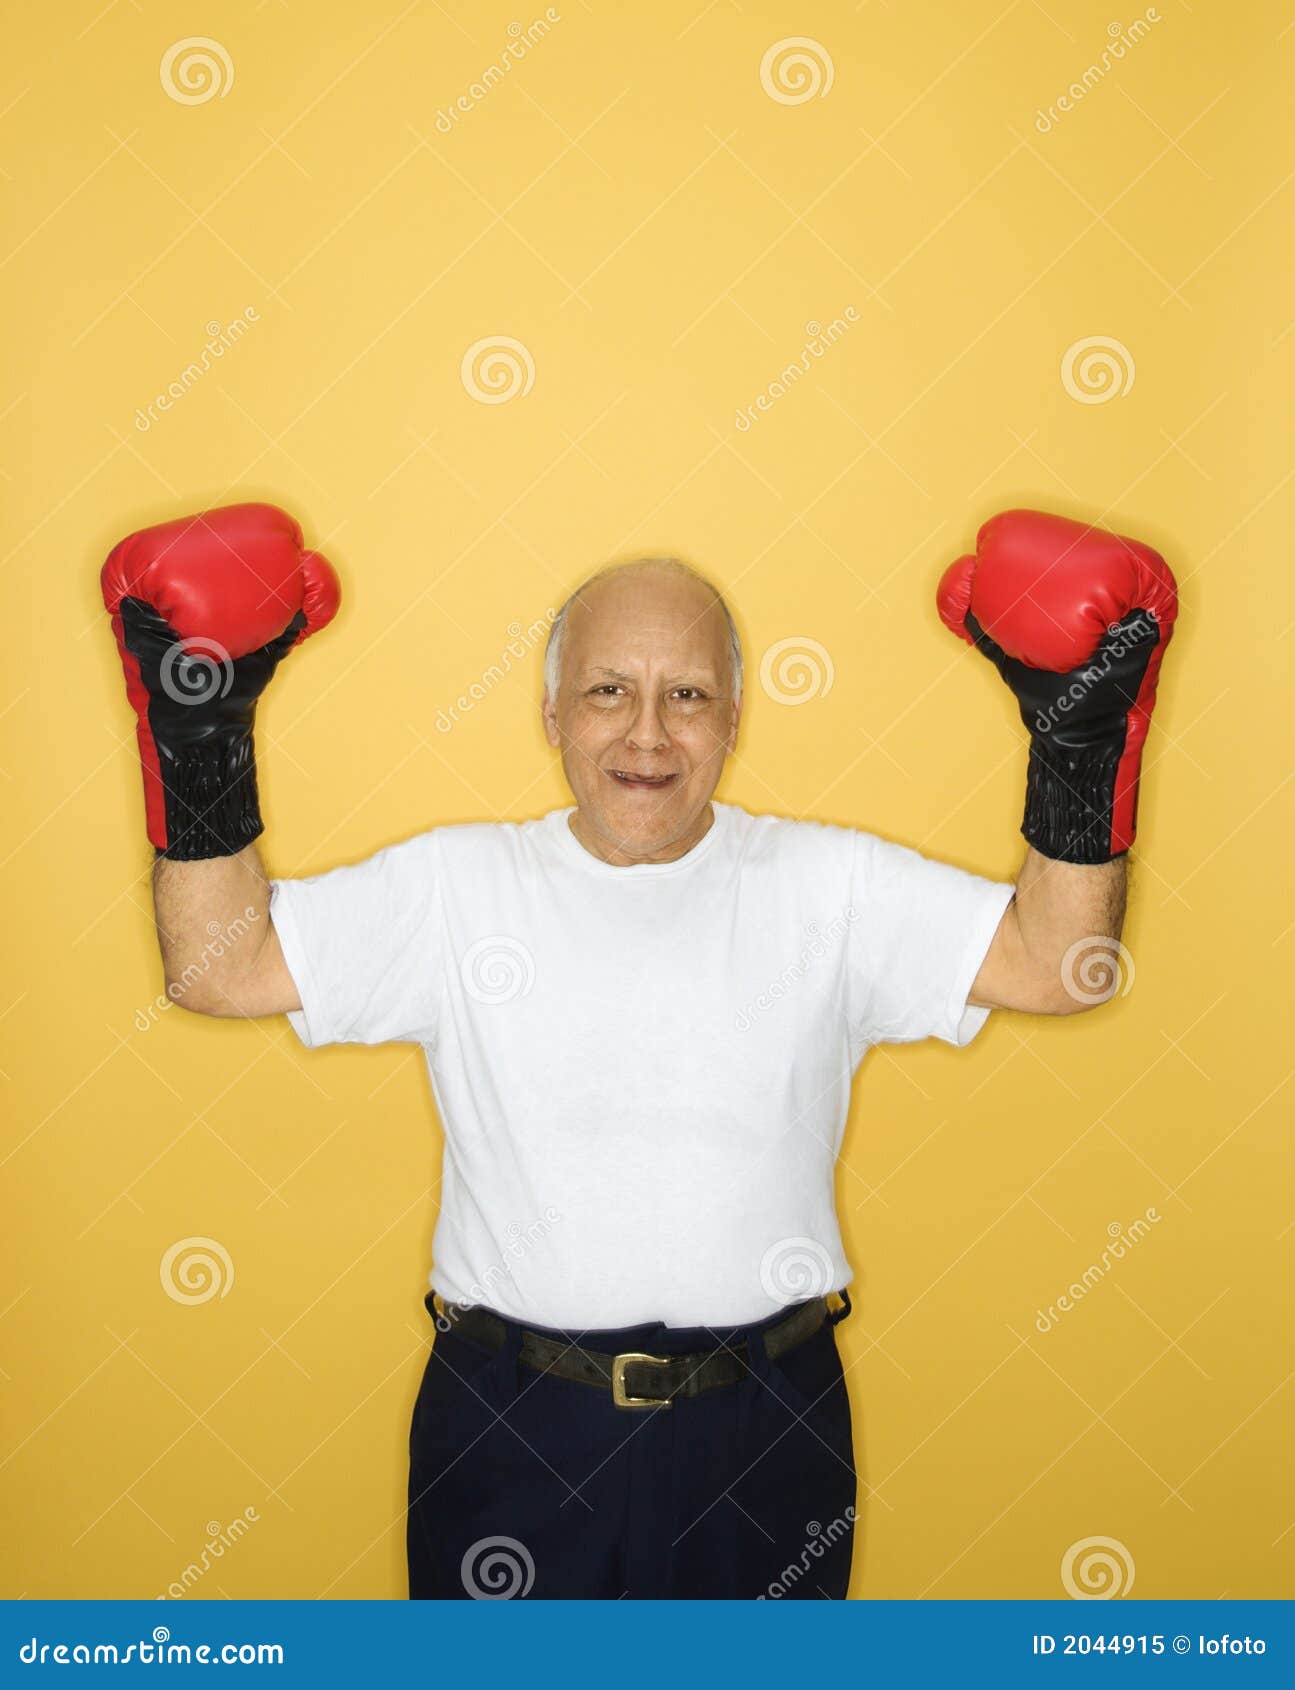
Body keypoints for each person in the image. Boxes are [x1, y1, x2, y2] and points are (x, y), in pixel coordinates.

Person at [100, 501, 1177, 1599]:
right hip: (511, 1428)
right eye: (608, 690)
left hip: (764, 1429)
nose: (647, 734)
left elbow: (1056, 964)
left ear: (735, 716)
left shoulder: (829, 884)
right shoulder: (455, 887)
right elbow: (218, 968)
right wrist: (204, 738)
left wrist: (1075, 754)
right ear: (551, 712)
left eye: (688, 696)